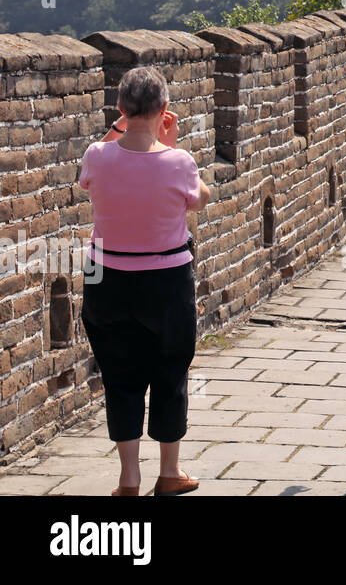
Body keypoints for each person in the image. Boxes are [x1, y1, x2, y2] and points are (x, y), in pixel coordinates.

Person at [78, 66, 212, 496]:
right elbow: (200, 200)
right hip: (167, 281)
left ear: (120, 109)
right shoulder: (180, 162)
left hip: (107, 280)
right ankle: (169, 472)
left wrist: (122, 130)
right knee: (169, 372)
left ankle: (128, 477)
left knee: (120, 376)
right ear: (165, 109)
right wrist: (166, 146)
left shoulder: (97, 156)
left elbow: (93, 170)